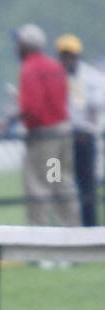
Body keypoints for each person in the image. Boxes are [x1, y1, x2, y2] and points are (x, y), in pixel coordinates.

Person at [14, 23, 79, 226]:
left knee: (38, 186)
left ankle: (41, 239)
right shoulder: (55, 66)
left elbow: (32, 107)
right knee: (59, 181)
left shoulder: (30, 68)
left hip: (43, 137)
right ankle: (70, 234)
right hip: (61, 133)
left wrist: (16, 118)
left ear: (25, 45)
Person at [58, 34, 105, 227]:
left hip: (84, 138)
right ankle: (65, 224)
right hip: (61, 139)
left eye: (71, 55)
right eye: (64, 55)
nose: (68, 59)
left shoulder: (91, 76)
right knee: (58, 179)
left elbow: (97, 104)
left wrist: (88, 125)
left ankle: (89, 226)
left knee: (86, 183)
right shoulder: (56, 76)